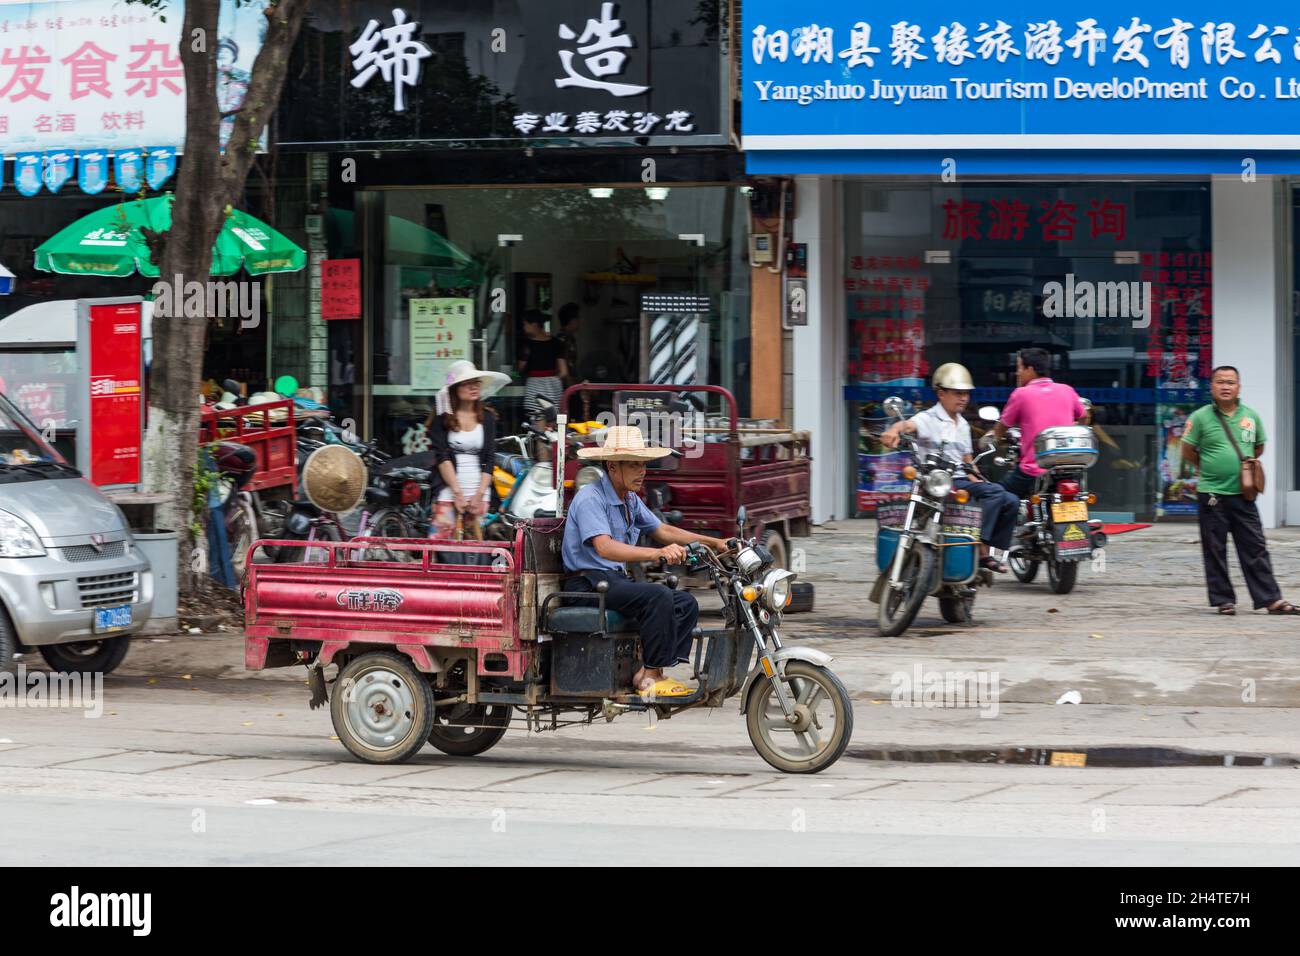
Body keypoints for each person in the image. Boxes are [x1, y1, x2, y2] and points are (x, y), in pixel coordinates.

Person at [562, 426, 730, 697]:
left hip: (612, 583)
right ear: (613, 467)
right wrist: (656, 553)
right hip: (587, 585)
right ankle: (649, 677)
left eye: (643, 465)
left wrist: (715, 542)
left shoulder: (629, 500)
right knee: (658, 596)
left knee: (685, 603)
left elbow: (663, 531)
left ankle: (652, 670)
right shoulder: (590, 498)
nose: (642, 471)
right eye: (634, 465)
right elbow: (604, 548)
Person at [1180, 366, 1299, 615]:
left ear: (1239, 387)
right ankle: (1224, 600)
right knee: (1214, 548)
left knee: (1255, 546)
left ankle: (1271, 599)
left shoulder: (1251, 416)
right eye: (1220, 382)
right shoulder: (1200, 417)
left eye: (1231, 382)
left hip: (1244, 495)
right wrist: (1210, 467)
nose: (1226, 387)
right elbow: (1188, 451)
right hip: (1212, 494)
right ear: (1211, 386)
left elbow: (1258, 448)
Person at [881, 363, 1020, 573]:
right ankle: (980, 548)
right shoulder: (928, 418)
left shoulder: (963, 424)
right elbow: (907, 425)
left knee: (1010, 500)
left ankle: (986, 549)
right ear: (941, 393)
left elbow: (967, 460)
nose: (963, 398)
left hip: (959, 480)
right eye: (958, 393)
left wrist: (979, 480)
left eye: (966, 394)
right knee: (996, 493)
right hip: (934, 480)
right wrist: (893, 430)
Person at [426, 360, 510, 541]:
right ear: (455, 388)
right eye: (467, 383)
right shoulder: (443, 418)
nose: (474, 387)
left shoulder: (487, 417)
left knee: (474, 546)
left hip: (478, 489)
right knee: (440, 541)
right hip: (450, 488)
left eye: (476, 383)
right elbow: (442, 457)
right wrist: (458, 493)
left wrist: (479, 494)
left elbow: (489, 457)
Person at [994, 348, 1088, 499]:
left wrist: (995, 439)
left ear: (1029, 369)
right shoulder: (1067, 390)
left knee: (997, 495)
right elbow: (1084, 416)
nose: (1017, 373)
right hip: (1068, 469)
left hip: (1034, 470)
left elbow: (1003, 426)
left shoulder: (1021, 394)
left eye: (1019, 367)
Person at [517, 310, 568, 421]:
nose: (524, 328)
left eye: (525, 324)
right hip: (554, 388)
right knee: (555, 423)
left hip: (534, 387)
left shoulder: (527, 345)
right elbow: (564, 372)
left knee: (536, 423)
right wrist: (553, 379)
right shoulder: (556, 343)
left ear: (534, 324)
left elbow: (520, 368)